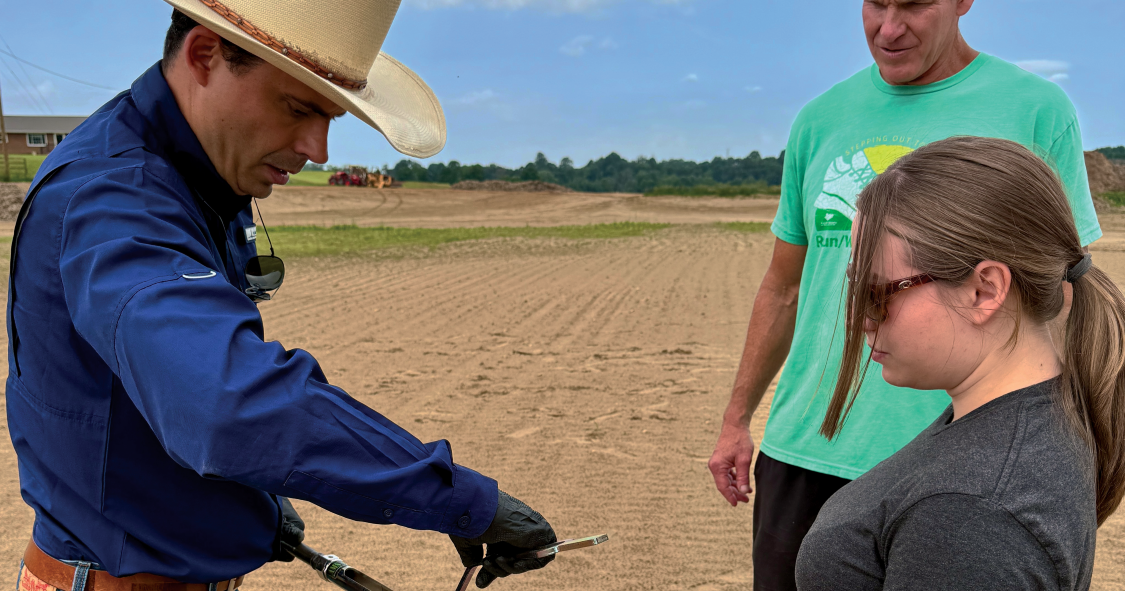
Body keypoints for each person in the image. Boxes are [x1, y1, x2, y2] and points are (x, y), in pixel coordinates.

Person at [7, 2, 554, 590]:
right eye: (297, 108)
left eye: (331, 119)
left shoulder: (199, 175)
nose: (318, 149)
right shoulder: (116, 201)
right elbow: (223, 404)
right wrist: (453, 496)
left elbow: (153, 389)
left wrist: (251, 504)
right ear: (204, 56)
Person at [707, 1, 1102, 589]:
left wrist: (1055, 438)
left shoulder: (1034, 111)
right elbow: (784, 285)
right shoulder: (820, 118)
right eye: (875, 3)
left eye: (914, 3)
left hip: (956, 446)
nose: (888, 29)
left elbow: (1065, 279)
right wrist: (736, 420)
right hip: (806, 447)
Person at [794, 135, 1125, 590]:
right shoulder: (1032, 417)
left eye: (875, 292)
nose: (860, 321)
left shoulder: (972, 513)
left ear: (985, 290)